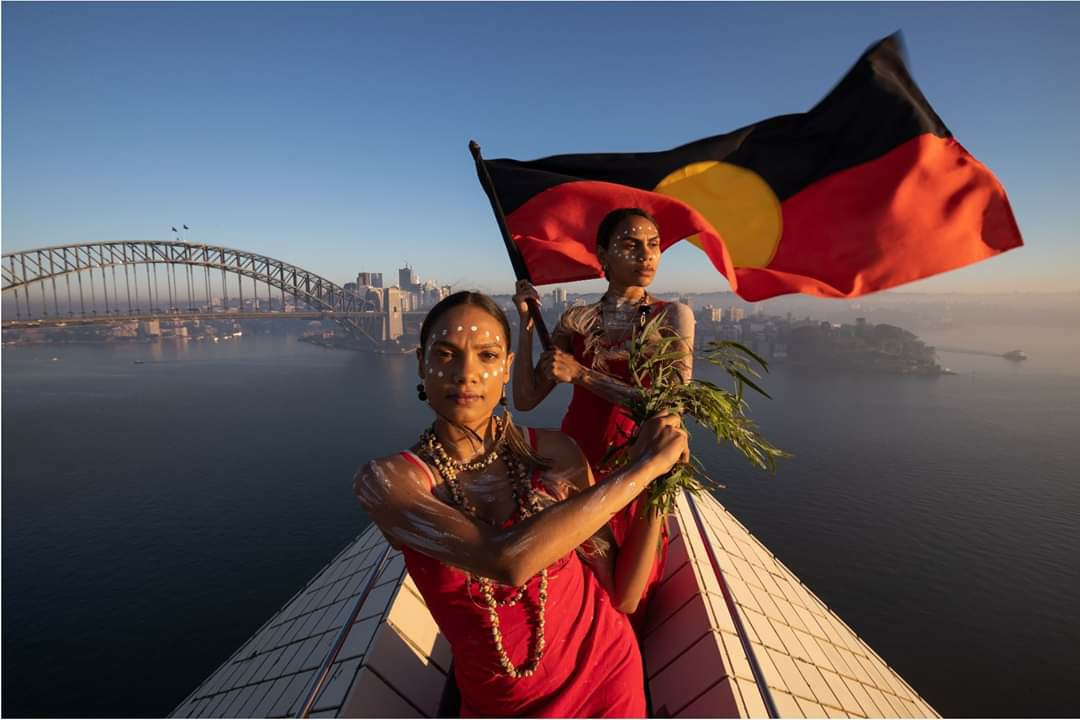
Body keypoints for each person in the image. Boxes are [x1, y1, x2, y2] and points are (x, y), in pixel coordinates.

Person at [353, 291, 688, 718]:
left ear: (508, 367)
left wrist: (660, 480)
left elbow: (622, 595)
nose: (467, 373)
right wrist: (641, 469)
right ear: (421, 362)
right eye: (446, 354)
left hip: (607, 684)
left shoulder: (558, 455)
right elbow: (505, 560)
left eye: (487, 355)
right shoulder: (389, 483)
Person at [512, 208, 695, 630]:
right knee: (586, 591)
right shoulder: (576, 319)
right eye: (631, 245)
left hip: (637, 468)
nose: (646, 255)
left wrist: (582, 374)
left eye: (653, 246)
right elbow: (526, 398)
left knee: (626, 595)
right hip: (578, 468)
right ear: (602, 255)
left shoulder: (673, 316)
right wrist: (524, 326)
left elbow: (669, 404)